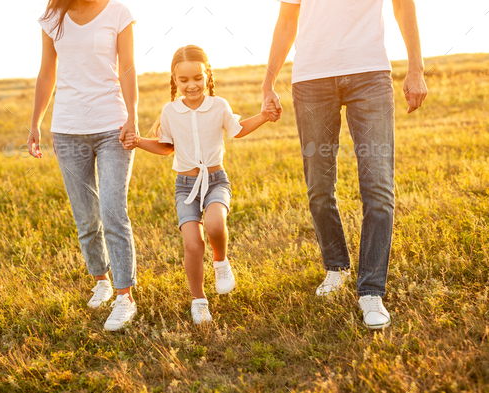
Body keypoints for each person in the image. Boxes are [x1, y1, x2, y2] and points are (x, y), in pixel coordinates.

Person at [262, 0, 428, 329]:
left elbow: (403, 6)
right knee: (319, 188)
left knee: (378, 187)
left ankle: (370, 291)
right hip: (311, 81)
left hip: (370, 75)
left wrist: (416, 68)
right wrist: (268, 83)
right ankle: (336, 267)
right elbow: (286, 21)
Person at [123, 45, 280, 324]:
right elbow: (166, 147)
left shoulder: (219, 106)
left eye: (197, 77)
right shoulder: (170, 111)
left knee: (215, 225)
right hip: (185, 187)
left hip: (216, 180)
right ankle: (199, 300)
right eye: (183, 80)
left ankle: (221, 262)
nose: (191, 85)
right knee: (193, 244)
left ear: (207, 74)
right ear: (174, 79)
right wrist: (138, 142)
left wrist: (265, 116)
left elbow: (239, 129)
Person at [28, 0, 140, 332]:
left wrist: (133, 116)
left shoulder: (119, 12)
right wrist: (35, 122)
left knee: (112, 210)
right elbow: (47, 72)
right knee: (86, 216)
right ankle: (101, 280)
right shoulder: (52, 17)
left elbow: (128, 68)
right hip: (67, 129)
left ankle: (125, 298)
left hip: (112, 128)